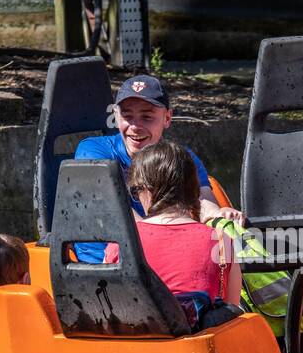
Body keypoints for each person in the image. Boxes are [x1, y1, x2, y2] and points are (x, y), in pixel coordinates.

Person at [73, 73, 244, 262]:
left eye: (147, 117)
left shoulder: (180, 158)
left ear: (167, 118)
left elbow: (202, 200)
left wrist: (219, 215)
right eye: (127, 116)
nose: (135, 126)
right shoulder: (93, 151)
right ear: (115, 116)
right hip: (106, 263)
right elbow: (114, 207)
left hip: (161, 254)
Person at [103, 141, 243, 331]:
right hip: (197, 352)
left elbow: (105, 307)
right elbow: (231, 313)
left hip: (134, 352)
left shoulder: (120, 242)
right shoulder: (221, 240)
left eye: (136, 191)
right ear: (193, 187)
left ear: (147, 190)